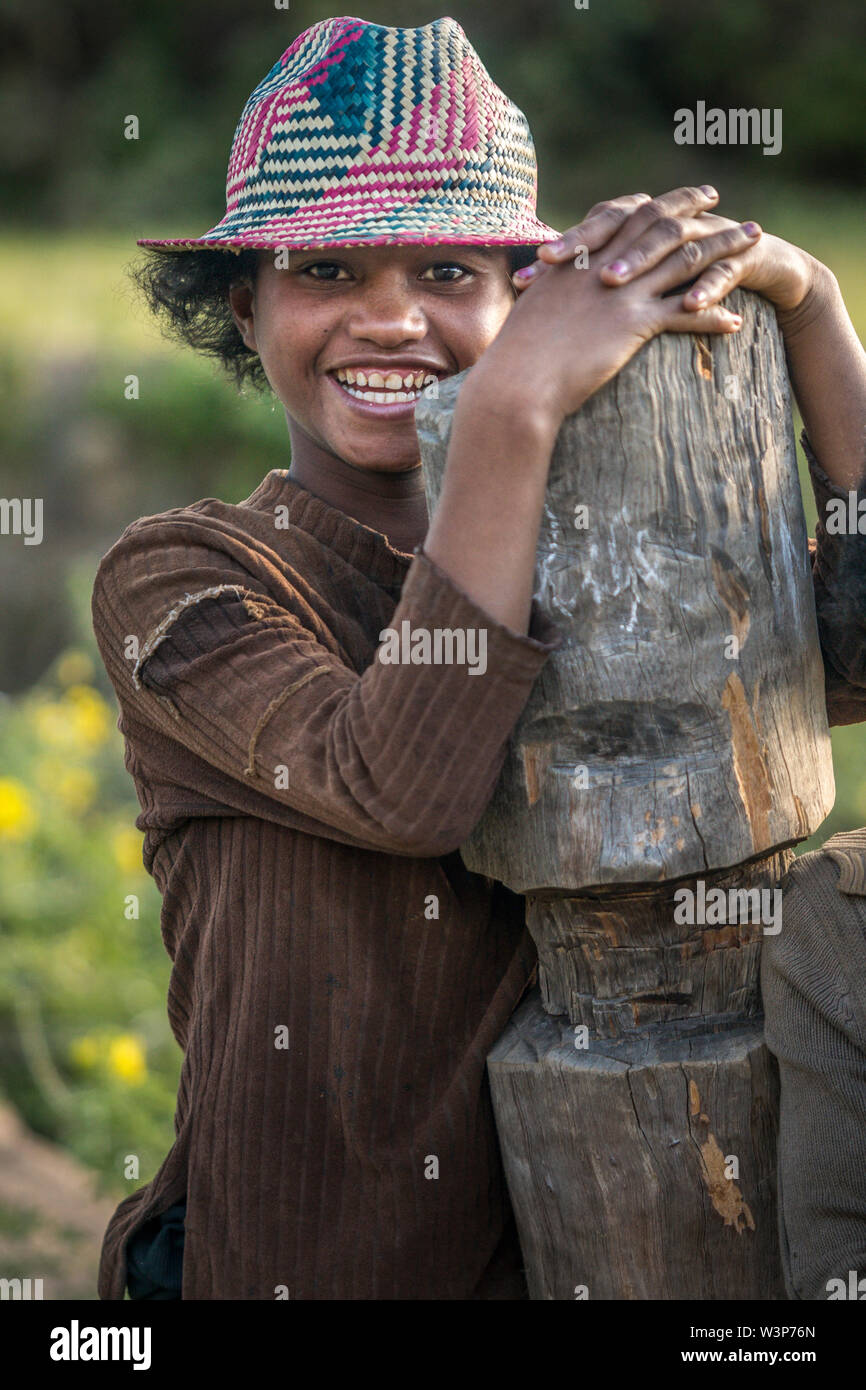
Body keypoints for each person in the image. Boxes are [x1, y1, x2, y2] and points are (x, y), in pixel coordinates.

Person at [93, 14, 866, 1300]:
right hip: (306, 1260)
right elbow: (397, 783)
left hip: (600, 1241)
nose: (388, 319)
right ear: (244, 305)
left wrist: (815, 315)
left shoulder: (603, 546)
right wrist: (512, 403)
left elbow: (843, 660)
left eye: (448, 271)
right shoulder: (189, 578)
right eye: (328, 271)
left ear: (521, 294)